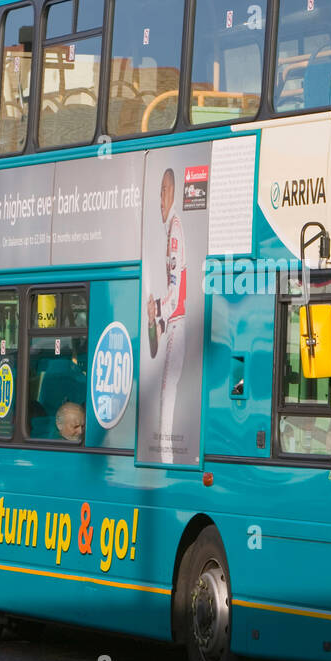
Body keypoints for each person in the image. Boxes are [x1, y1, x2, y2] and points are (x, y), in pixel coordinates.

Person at [145, 168, 186, 454]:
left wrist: (158, 308)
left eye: (164, 191)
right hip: (171, 325)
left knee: (165, 402)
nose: (160, 198)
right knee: (163, 402)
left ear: (172, 193)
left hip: (178, 325)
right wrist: (155, 319)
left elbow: (175, 289)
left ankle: (166, 466)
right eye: (159, 191)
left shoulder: (174, 231)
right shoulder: (168, 229)